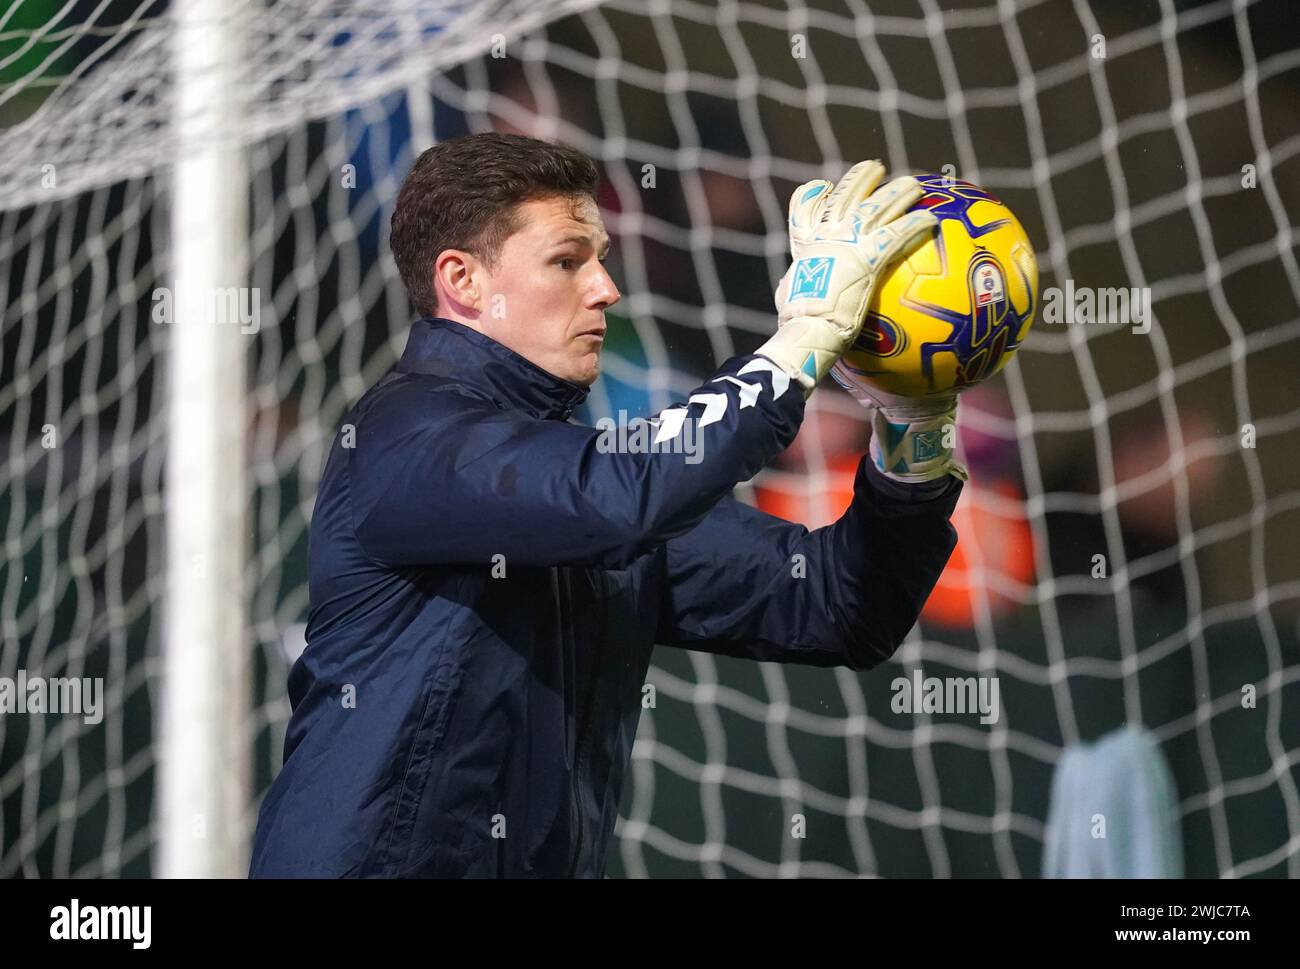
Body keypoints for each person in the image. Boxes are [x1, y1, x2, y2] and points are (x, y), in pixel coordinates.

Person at [249, 131, 964, 877]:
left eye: (601, 259)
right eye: (567, 261)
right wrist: (797, 345)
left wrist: (914, 433)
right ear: (462, 280)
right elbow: (621, 495)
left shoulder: (580, 478)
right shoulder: (401, 436)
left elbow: (833, 605)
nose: (605, 288)